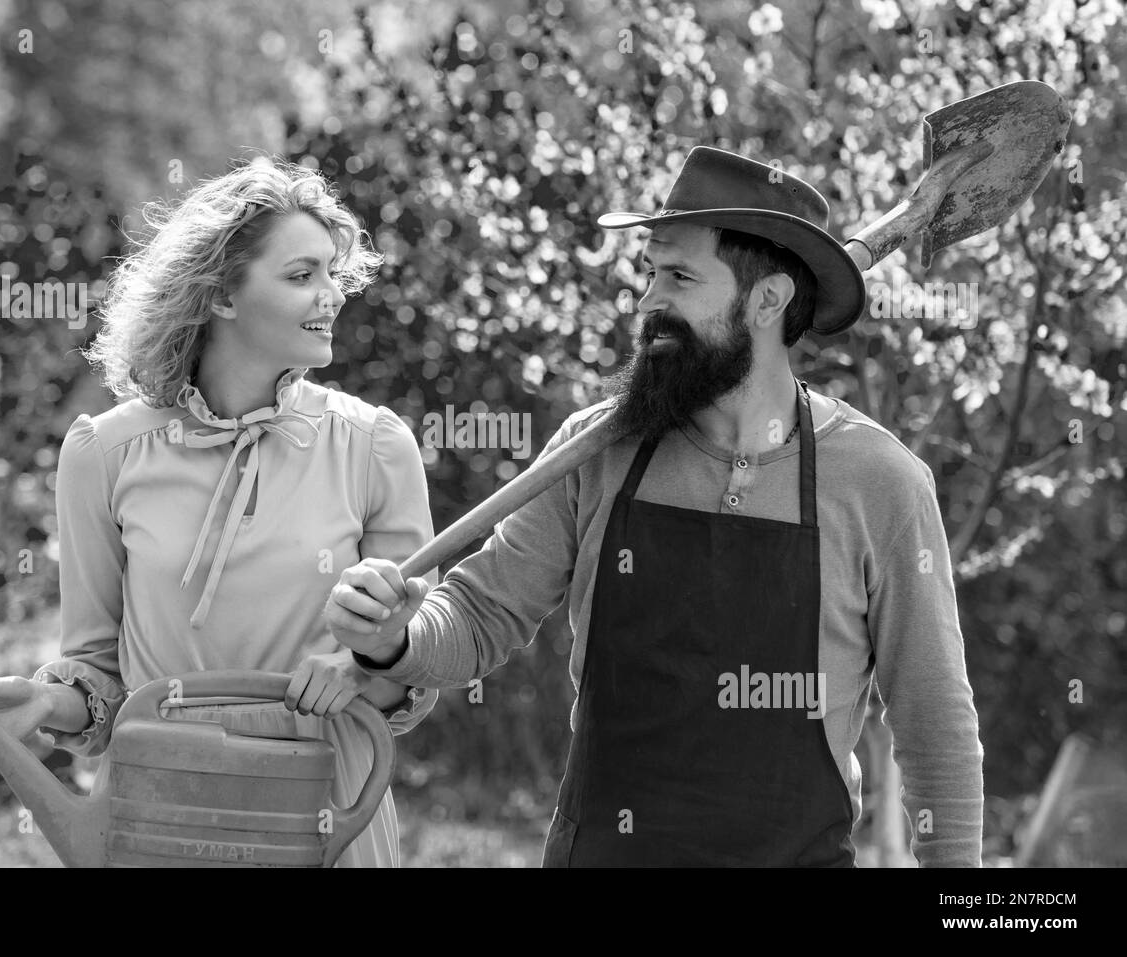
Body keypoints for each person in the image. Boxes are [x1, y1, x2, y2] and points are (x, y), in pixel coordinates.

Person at [325, 147, 986, 867]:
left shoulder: (879, 480)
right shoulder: (600, 449)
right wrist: (395, 637)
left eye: (678, 277)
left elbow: (935, 727)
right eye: (649, 275)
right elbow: (480, 618)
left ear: (767, 300)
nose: (648, 304)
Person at [0, 155, 438, 867]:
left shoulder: (374, 447)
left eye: (333, 271)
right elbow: (99, 677)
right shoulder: (104, 453)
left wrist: (363, 668)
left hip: (325, 819)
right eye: (302, 276)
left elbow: (417, 671)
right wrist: (47, 702)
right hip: (162, 818)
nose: (333, 294)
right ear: (223, 296)